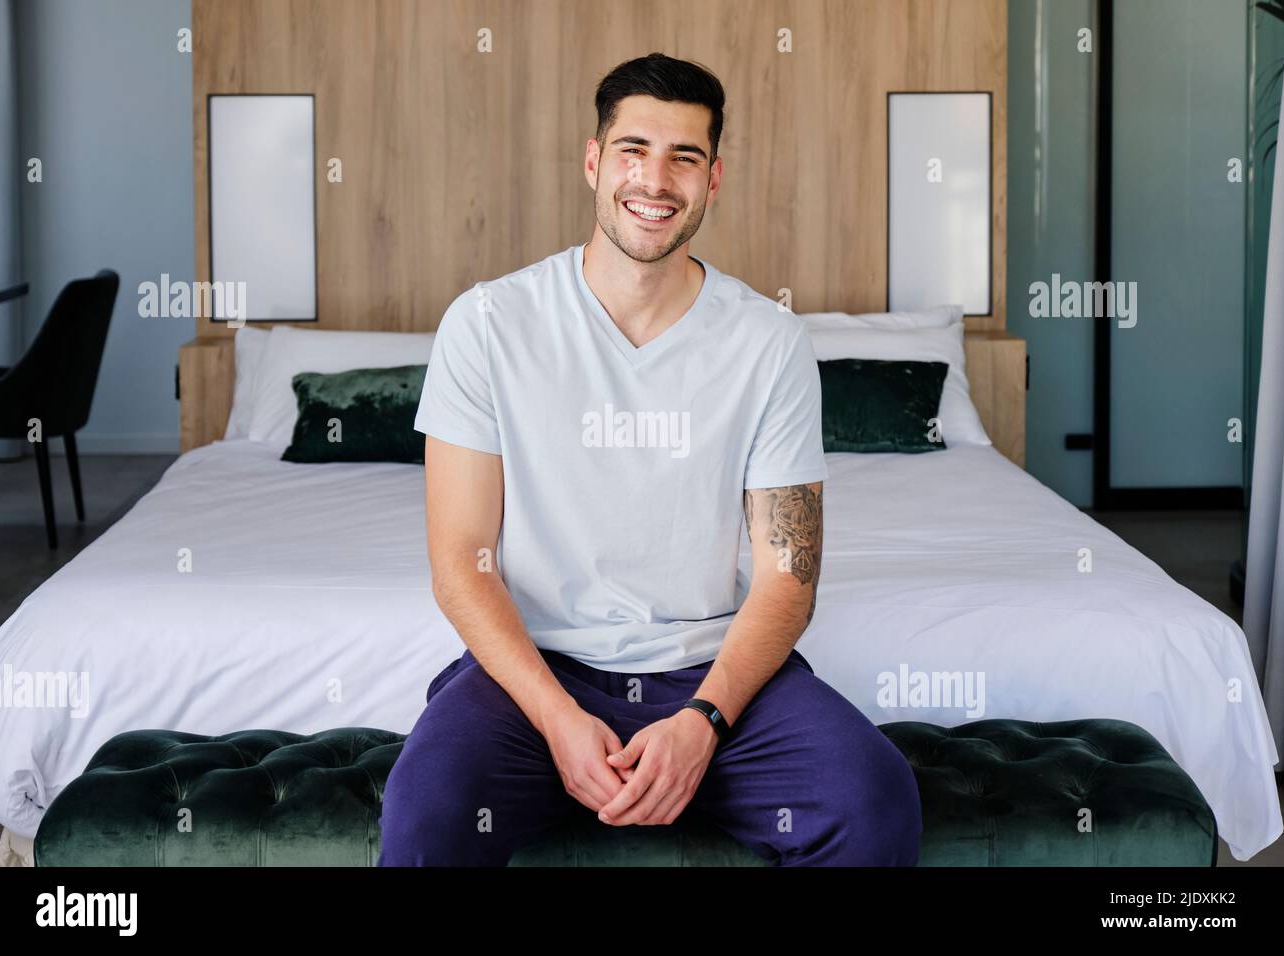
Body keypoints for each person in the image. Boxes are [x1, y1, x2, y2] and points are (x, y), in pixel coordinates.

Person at [378, 52, 921, 866]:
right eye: (633, 150)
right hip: (533, 671)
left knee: (873, 801)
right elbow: (461, 563)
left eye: (685, 157)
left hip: (709, 672)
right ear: (594, 161)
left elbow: (788, 577)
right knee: (427, 817)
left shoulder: (769, 343)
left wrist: (702, 723)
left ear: (715, 178)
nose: (655, 179)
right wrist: (560, 721)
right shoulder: (488, 324)